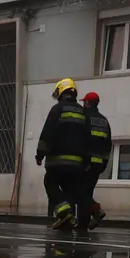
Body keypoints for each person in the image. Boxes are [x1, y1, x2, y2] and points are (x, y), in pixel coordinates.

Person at [34, 78, 89, 231]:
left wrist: (40, 155)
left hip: (57, 160)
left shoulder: (57, 109)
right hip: (77, 164)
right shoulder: (82, 112)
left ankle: (63, 212)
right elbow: (87, 138)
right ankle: (67, 221)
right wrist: (86, 161)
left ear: (61, 92)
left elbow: (47, 133)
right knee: (70, 189)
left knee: (50, 183)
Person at [77, 92, 112, 235]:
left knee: (78, 192)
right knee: (87, 192)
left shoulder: (84, 118)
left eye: (84, 102)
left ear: (88, 103)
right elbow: (108, 146)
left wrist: (84, 161)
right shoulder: (104, 121)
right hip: (97, 165)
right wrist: (104, 164)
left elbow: (82, 142)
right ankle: (83, 225)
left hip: (85, 163)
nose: (83, 104)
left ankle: (96, 211)